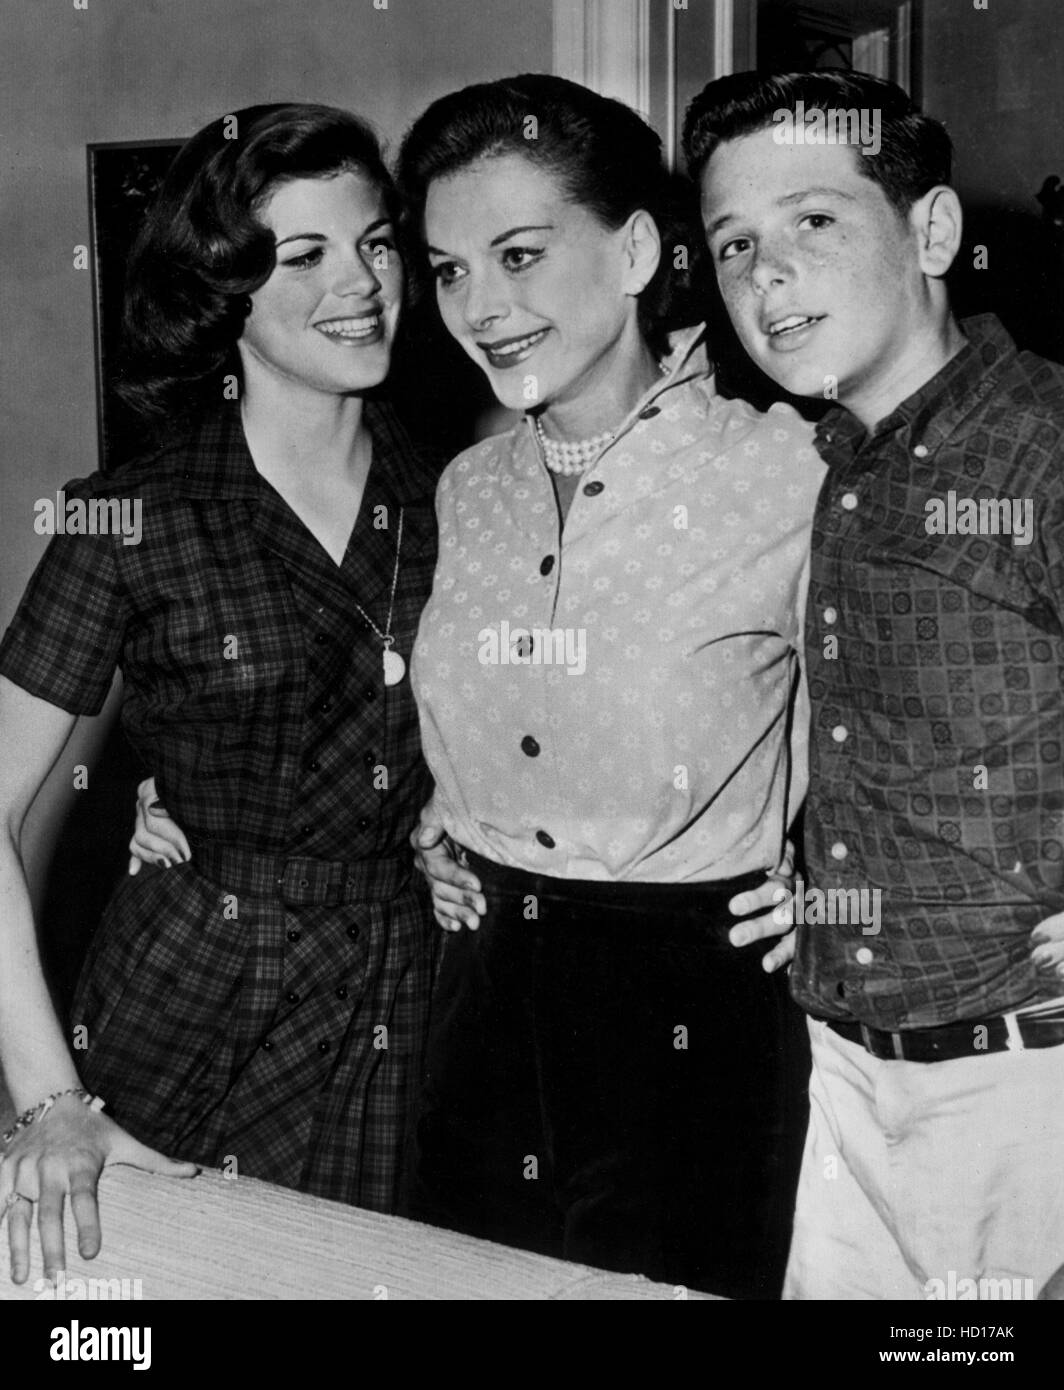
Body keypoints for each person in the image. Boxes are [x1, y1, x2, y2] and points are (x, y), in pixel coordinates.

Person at [389, 73, 825, 1299]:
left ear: (635, 249)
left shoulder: (788, 470)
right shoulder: (466, 485)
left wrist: (844, 879)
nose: (481, 305)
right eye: (449, 269)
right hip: (477, 998)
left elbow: (917, 718)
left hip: (688, 1014)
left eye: (518, 254)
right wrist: (446, 818)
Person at [0, 103, 440, 1285]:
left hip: (396, 994)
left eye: (378, 241)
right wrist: (48, 1098)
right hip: (185, 982)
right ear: (223, 292)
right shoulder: (126, 514)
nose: (360, 283)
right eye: (303, 256)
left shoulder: (469, 488)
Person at [683, 68, 1064, 1300]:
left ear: (934, 233)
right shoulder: (835, 455)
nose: (764, 272)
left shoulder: (1041, 440)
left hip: (1023, 1086)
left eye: (813, 220)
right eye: (733, 241)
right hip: (846, 1075)